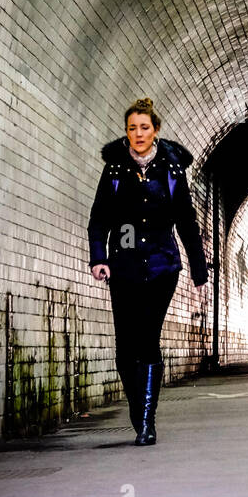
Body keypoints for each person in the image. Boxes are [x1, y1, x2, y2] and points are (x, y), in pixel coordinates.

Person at [87, 98, 208, 444]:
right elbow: (99, 219)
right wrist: (99, 257)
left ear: (155, 130)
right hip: (122, 268)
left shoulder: (171, 171)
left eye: (144, 127)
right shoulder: (114, 170)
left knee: (147, 339)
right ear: (126, 132)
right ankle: (137, 407)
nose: (138, 134)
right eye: (132, 128)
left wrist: (198, 272)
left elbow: (186, 221)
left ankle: (146, 422)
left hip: (161, 267)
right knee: (126, 347)